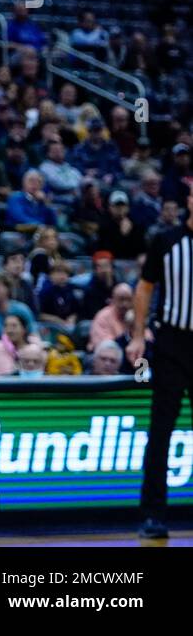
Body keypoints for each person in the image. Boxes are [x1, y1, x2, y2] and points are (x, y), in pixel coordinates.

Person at [129, 192, 193, 539]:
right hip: (171, 342)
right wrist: (138, 335)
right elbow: (144, 287)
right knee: (161, 433)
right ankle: (153, 514)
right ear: (190, 200)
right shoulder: (166, 240)